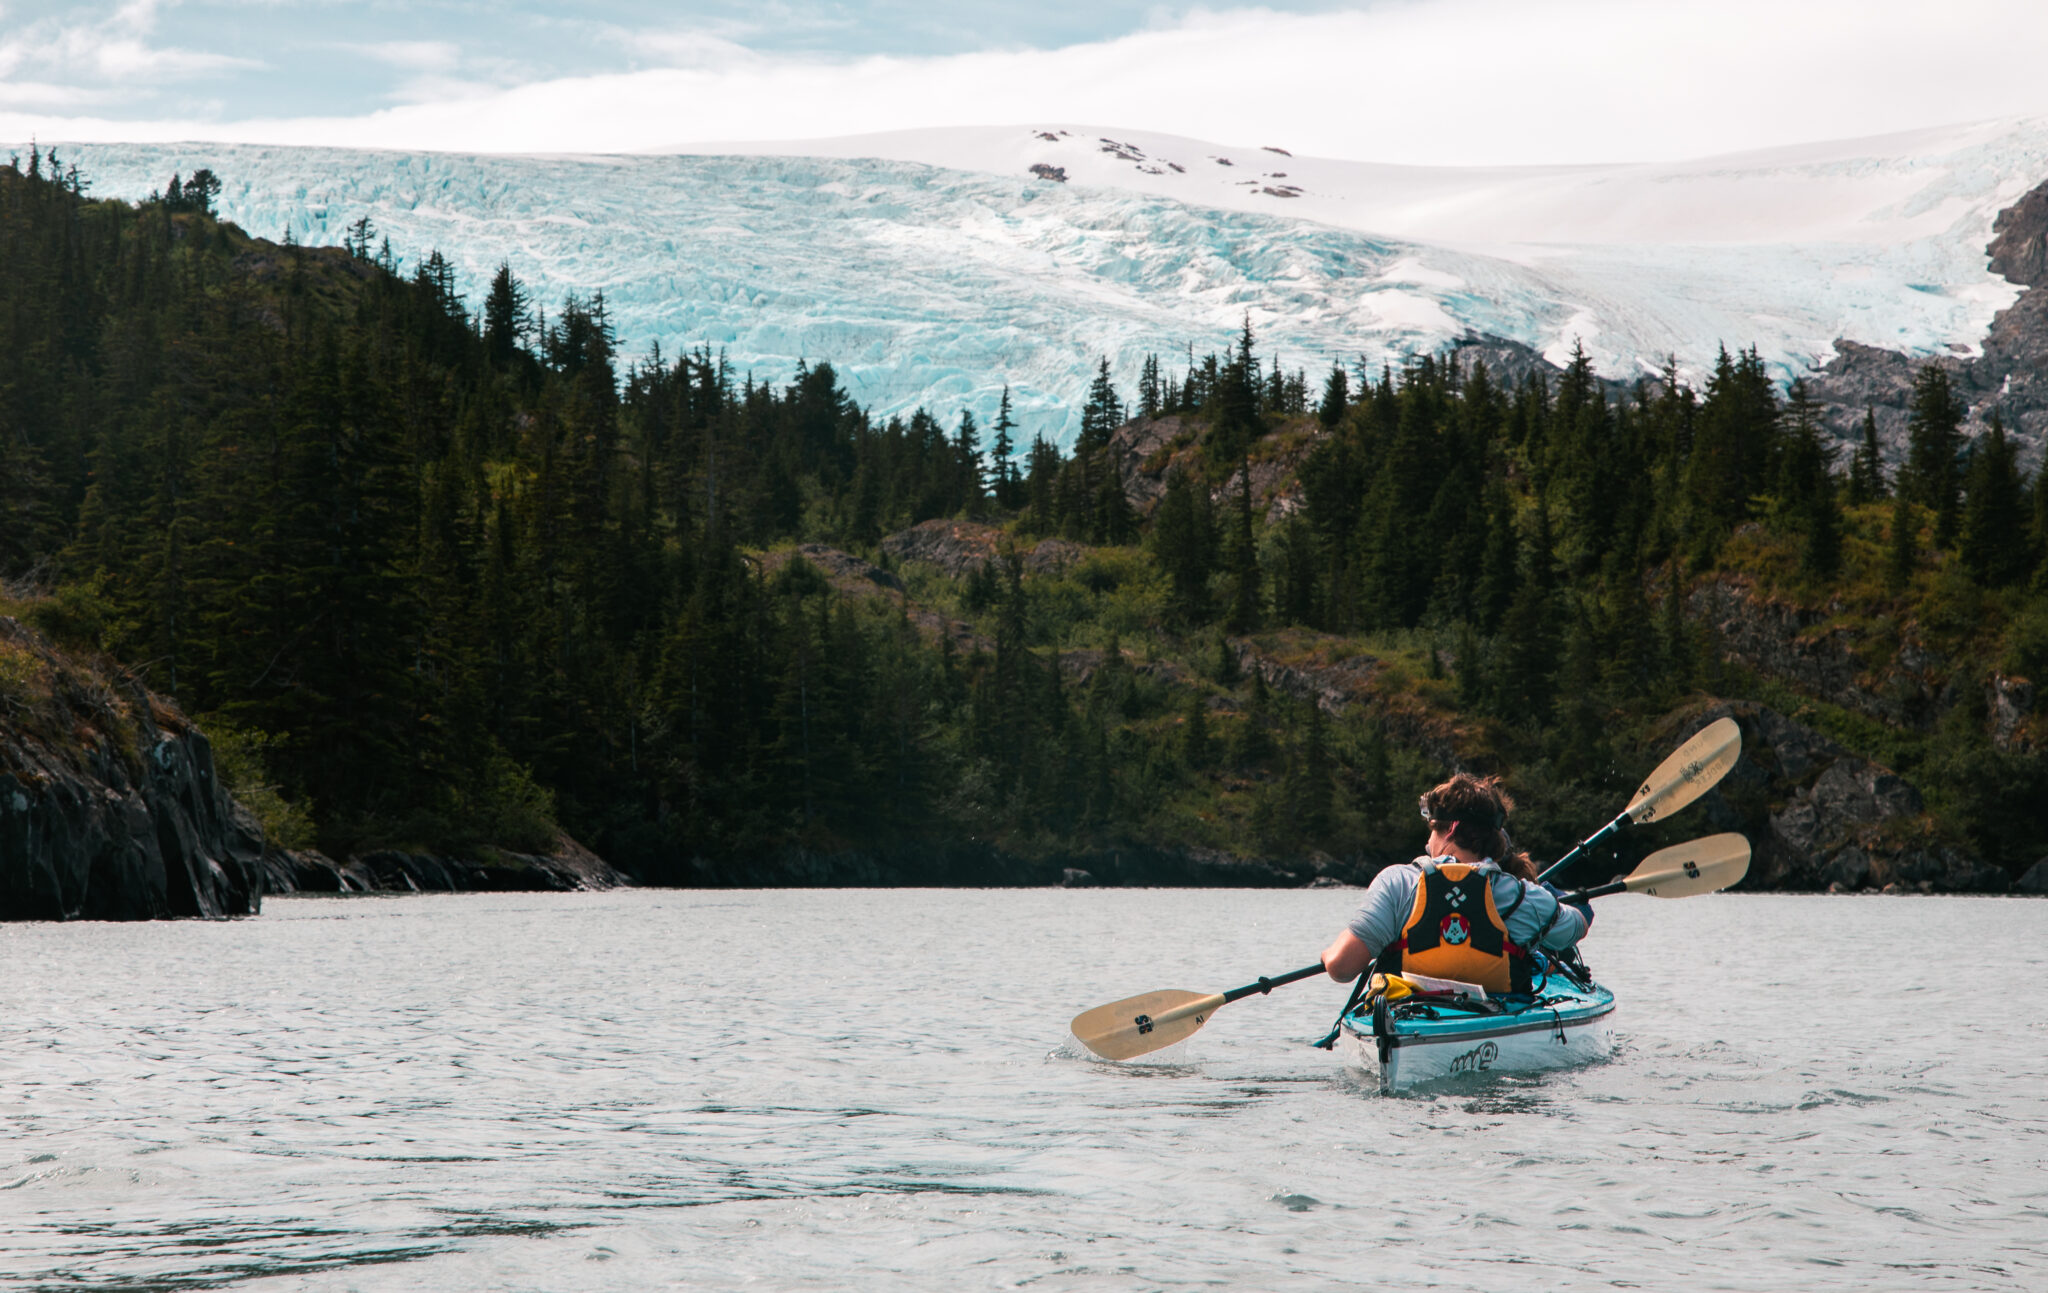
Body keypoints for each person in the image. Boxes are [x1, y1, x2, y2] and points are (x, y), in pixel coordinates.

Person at [1321, 772, 1591, 994]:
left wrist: (1326, 955)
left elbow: (1341, 967)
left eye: (1433, 828)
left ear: (1450, 829)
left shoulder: (1397, 883)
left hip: (1410, 1021)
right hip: (1495, 1022)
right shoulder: (1519, 895)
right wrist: (1558, 898)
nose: (1429, 843)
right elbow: (1576, 927)